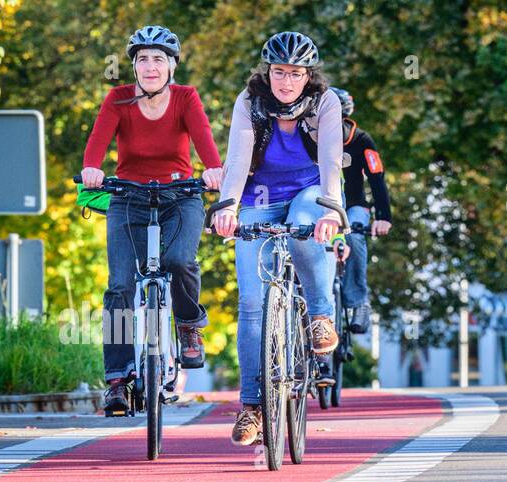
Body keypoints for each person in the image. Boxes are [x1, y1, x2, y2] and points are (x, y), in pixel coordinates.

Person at [81, 25, 223, 414]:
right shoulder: (118, 99)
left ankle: (189, 324)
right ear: (134, 67)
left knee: (180, 261)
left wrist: (213, 169)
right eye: (142, 59)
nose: (150, 66)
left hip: (180, 196)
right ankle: (117, 379)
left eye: (158, 59)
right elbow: (97, 142)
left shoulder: (186, 98)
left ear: (172, 66)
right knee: (119, 287)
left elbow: (204, 138)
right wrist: (91, 169)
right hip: (129, 198)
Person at [211, 31, 344, 447]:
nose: (287, 81)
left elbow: (331, 161)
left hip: (309, 190)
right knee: (250, 303)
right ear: (267, 72)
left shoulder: (326, 103)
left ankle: (320, 316)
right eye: (280, 72)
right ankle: (252, 406)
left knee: (307, 222)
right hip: (258, 196)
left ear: (309, 76)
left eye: (297, 73)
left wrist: (331, 210)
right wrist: (228, 206)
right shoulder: (249, 102)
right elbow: (236, 159)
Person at [330, 86, 393, 333]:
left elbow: (377, 178)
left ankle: (358, 302)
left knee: (355, 237)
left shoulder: (362, 140)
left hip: (354, 204)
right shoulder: (309, 137)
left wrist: (383, 217)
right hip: (324, 203)